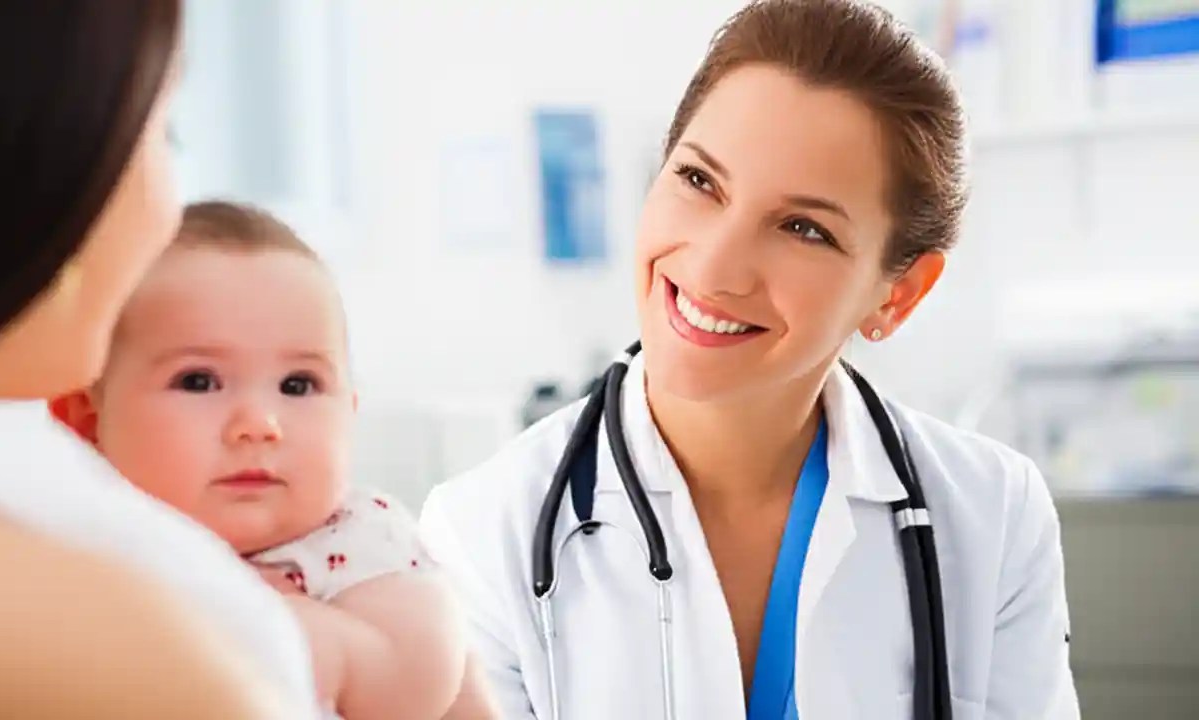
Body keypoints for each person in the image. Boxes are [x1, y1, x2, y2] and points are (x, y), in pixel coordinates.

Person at [418, 1, 1080, 718]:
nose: (716, 267)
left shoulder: (993, 514)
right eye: (699, 181)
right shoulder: (484, 533)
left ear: (898, 294)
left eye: (803, 228)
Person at [0, 3, 320, 717]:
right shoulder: (94, 647)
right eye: (164, 131)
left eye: (301, 383)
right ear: (46, 160)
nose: (259, 423)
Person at [51, 200, 500, 720]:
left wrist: (295, 634)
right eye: (199, 381)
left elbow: (419, 676)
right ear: (86, 421)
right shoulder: (82, 545)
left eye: (298, 384)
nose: (260, 424)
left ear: (348, 413)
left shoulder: (356, 539)